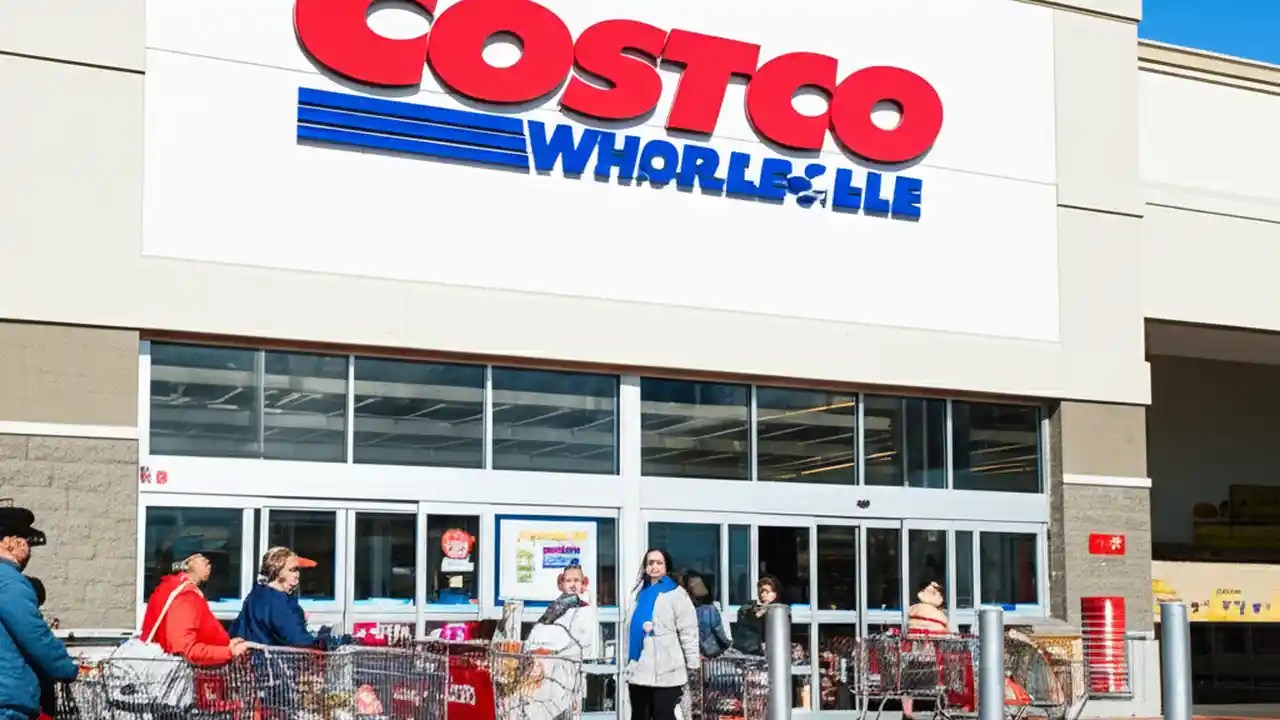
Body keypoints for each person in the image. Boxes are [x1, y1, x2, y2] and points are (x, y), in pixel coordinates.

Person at [0, 507, 78, 720]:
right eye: (26, 541)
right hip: (7, 700)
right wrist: (68, 668)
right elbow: (34, 634)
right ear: (9, 541)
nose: (29, 550)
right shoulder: (9, 581)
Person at [625, 549, 699, 720]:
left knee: (663, 714)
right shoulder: (638, 594)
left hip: (667, 667)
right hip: (639, 666)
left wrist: (693, 664)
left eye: (659, 563)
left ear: (667, 566)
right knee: (639, 715)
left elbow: (688, 630)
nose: (654, 567)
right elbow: (629, 629)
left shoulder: (676, 594)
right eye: (650, 563)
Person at [140, 552, 248, 665]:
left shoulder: (170, 588)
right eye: (200, 558)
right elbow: (186, 649)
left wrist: (227, 645)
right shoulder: (185, 596)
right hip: (184, 676)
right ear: (186, 564)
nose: (207, 561)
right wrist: (229, 652)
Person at [230, 546, 348, 648]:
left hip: (253, 665)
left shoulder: (256, 595)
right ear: (277, 570)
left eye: (298, 570)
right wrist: (327, 642)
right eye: (292, 570)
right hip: (275, 667)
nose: (297, 575)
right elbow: (299, 641)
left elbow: (237, 630)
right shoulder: (278, 603)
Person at [684, 572, 731, 658]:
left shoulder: (687, 609)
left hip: (693, 650)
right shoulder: (711, 609)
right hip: (710, 651)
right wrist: (727, 644)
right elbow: (718, 630)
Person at [733, 575, 780, 656]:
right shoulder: (748, 607)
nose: (763, 594)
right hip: (749, 652)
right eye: (761, 591)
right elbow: (751, 617)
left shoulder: (777, 611)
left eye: (767, 592)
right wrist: (762, 610)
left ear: (774, 595)